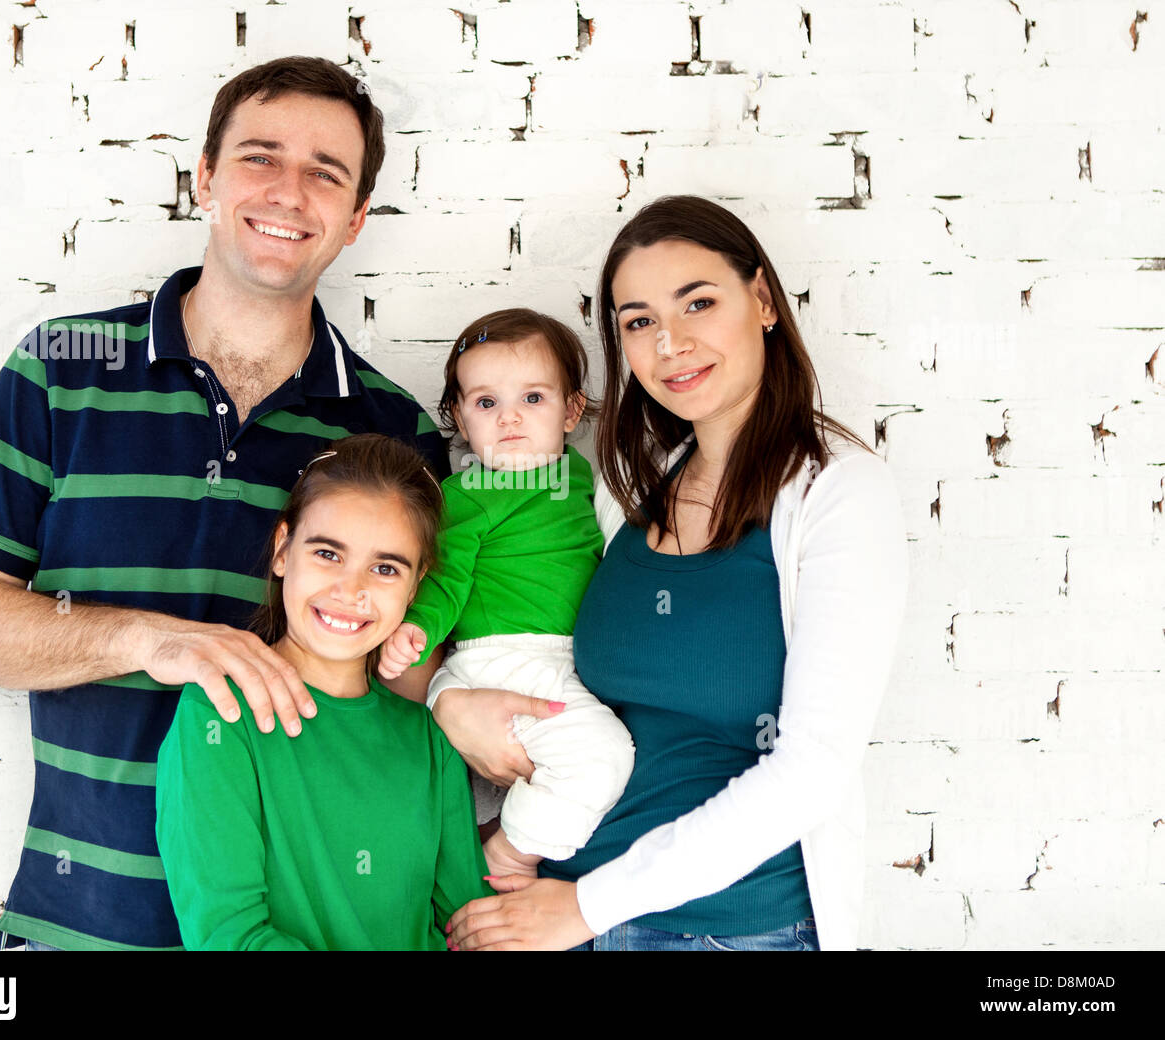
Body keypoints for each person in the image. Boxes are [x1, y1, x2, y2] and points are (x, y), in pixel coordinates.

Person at [0, 57, 495, 951]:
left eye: (327, 173)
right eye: (260, 157)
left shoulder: (393, 435)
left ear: (357, 217)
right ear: (206, 179)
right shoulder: (63, 370)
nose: (290, 192)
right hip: (80, 929)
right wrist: (149, 641)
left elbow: (399, 690)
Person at [439, 195, 909, 951]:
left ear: (761, 301)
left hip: (728, 930)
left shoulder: (838, 494)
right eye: (638, 321)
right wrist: (452, 705)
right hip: (562, 908)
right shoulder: (624, 491)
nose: (671, 342)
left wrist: (590, 905)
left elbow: (812, 769)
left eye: (697, 302)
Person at [155, 434, 493, 950]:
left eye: (385, 568)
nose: (350, 590)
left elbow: (467, 928)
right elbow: (230, 936)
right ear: (283, 550)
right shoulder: (220, 714)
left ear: (416, 582)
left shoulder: (428, 739)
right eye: (328, 553)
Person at [376, 309, 635, 880]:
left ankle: (474, 868)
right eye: (486, 403)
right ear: (461, 420)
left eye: (533, 399)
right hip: (503, 660)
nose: (510, 418)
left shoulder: (580, 477)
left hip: (558, 662)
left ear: (571, 411)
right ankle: (511, 859)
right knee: (603, 756)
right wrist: (417, 629)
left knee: (514, 784)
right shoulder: (468, 493)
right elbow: (443, 573)